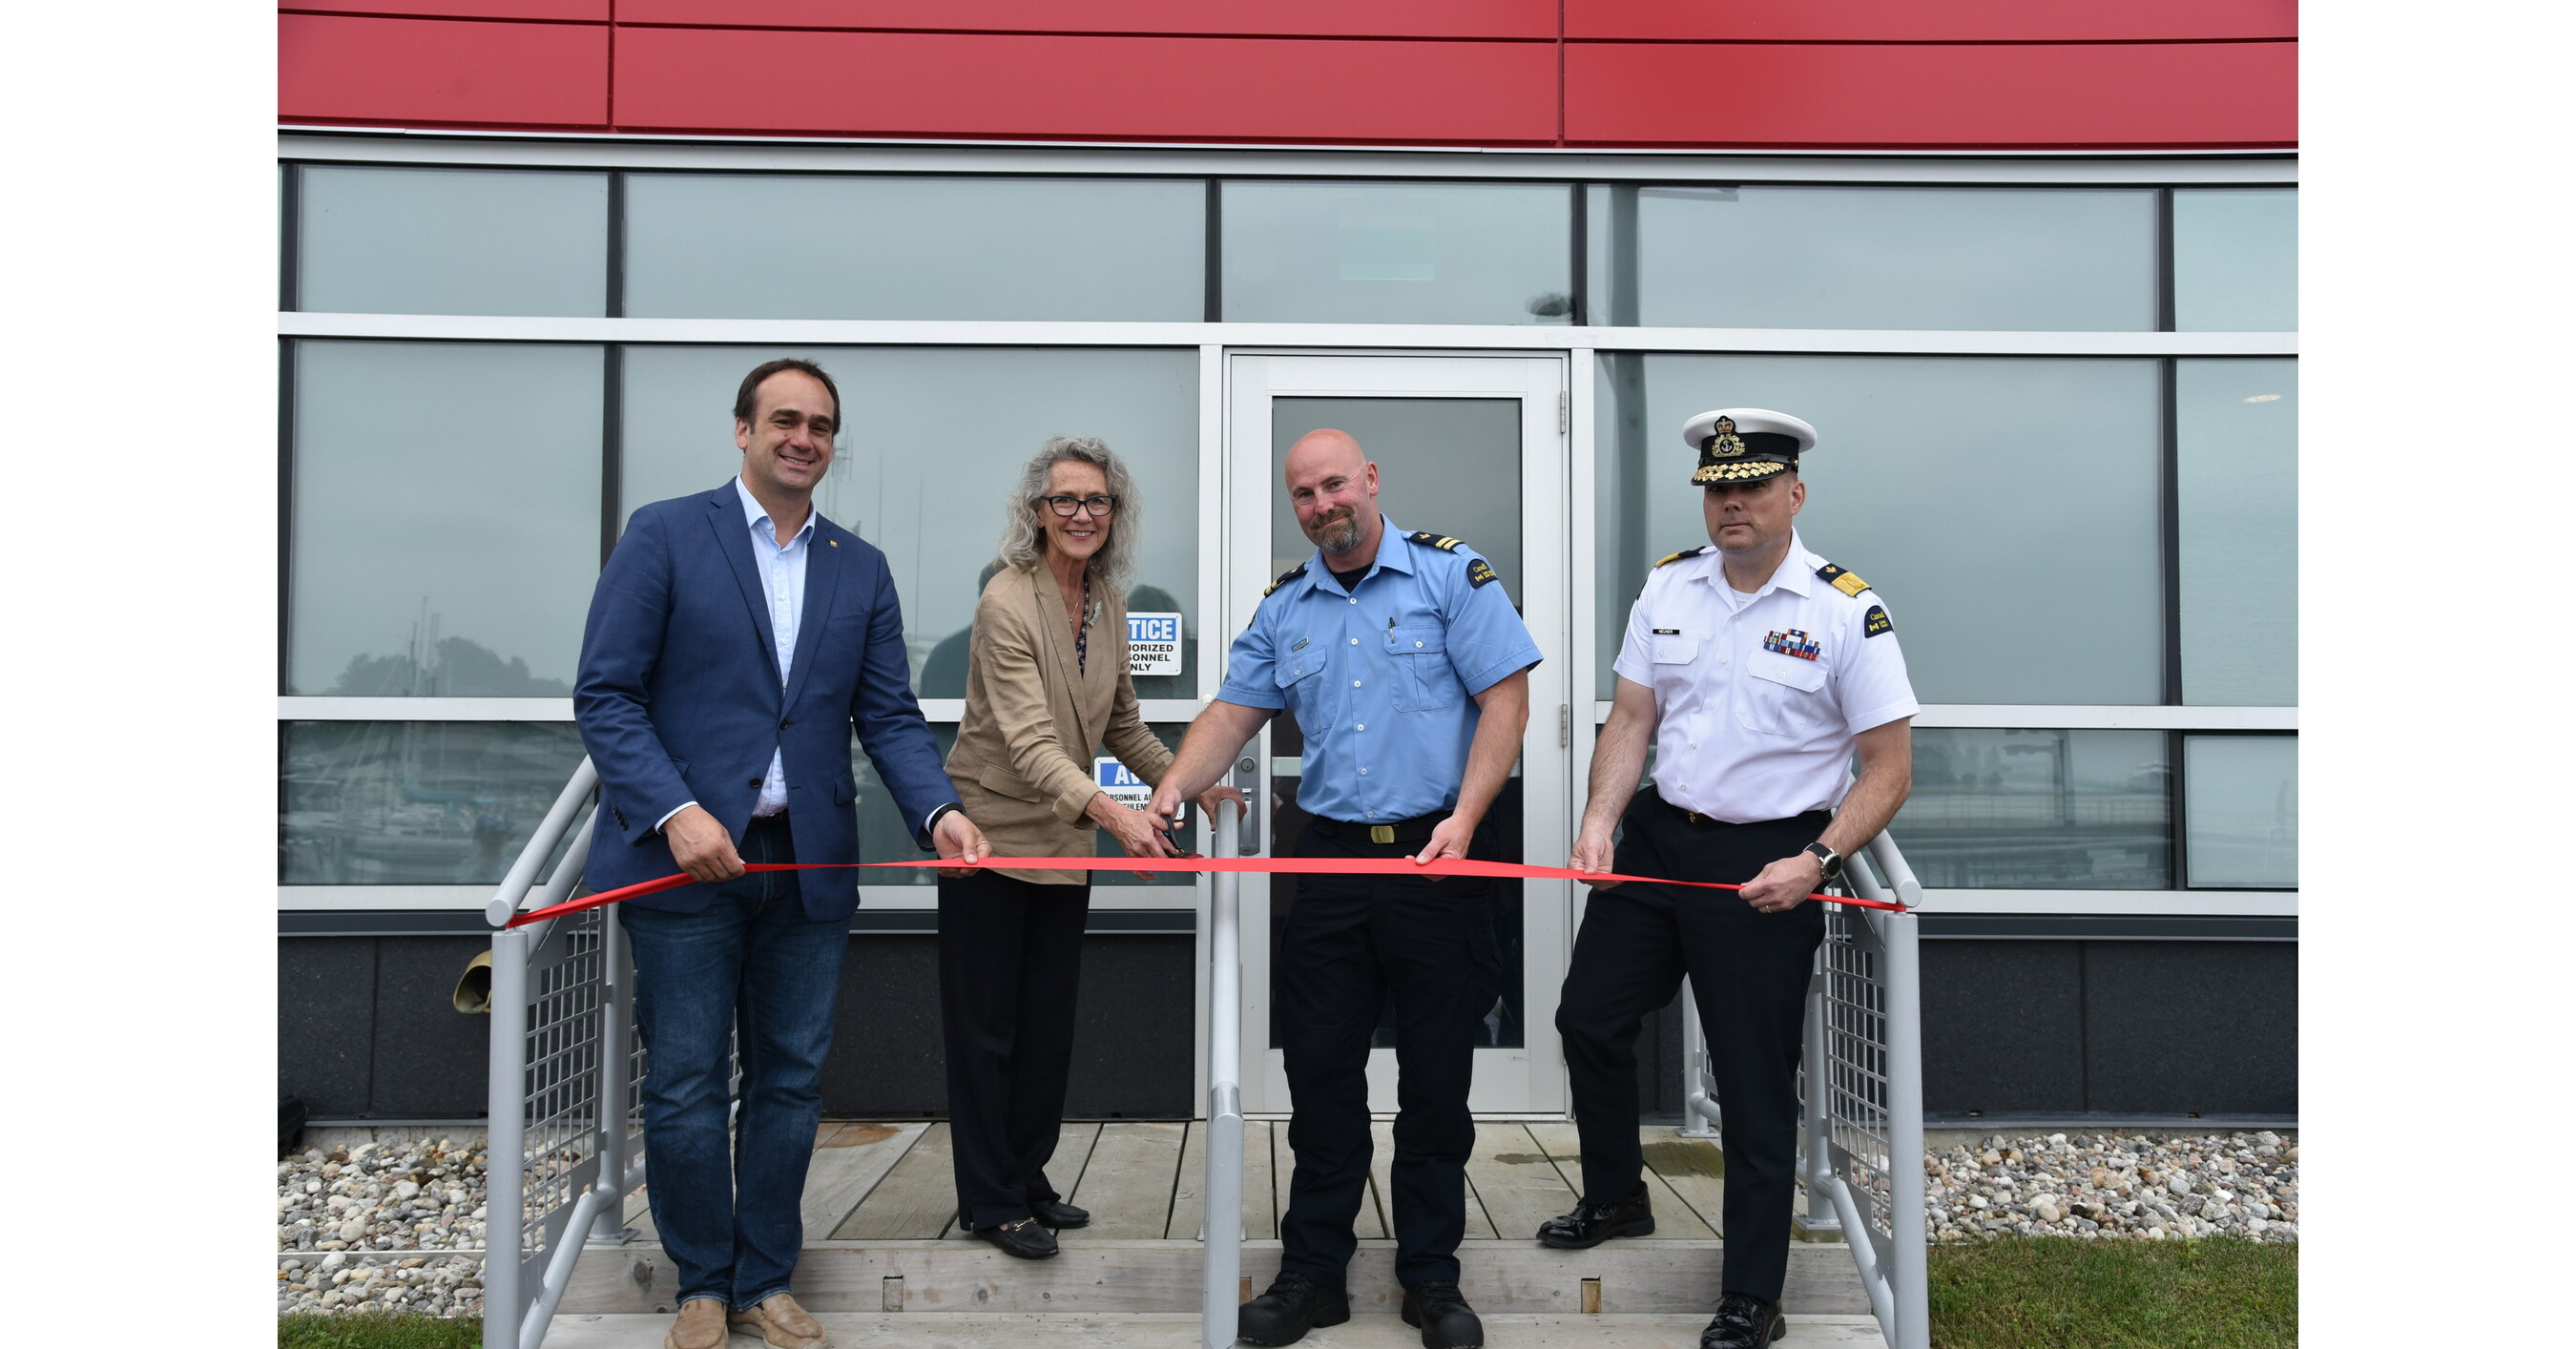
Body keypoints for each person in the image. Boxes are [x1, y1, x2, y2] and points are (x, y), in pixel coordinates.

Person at [573, 358, 990, 1349]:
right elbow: (606, 694)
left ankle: (766, 1276)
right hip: (686, 864)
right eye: (785, 421)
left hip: (806, 868)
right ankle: (699, 1285)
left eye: (822, 426)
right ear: (743, 431)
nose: (804, 438)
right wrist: (675, 808)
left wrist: (939, 814)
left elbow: (886, 717)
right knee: (681, 1082)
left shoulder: (861, 565)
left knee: (791, 1082)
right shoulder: (666, 534)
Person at [1147, 429, 1542, 1349]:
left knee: (1437, 1083)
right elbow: (1232, 712)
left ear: (1371, 480)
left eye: (1335, 485)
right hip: (1327, 868)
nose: (1323, 504)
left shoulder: (1452, 576)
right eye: (1303, 494)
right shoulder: (1287, 607)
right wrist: (1172, 784)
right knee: (1322, 1079)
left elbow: (1508, 700)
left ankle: (1431, 1278)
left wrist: (1468, 819)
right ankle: (1314, 1274)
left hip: (1438, 857)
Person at [1538, 408, 1917, 1349]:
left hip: (1772, 860)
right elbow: (1632, 720)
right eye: (1717, 486)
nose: (1731, 502)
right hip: (1663, 843)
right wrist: (1598, 821)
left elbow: (1889, 767)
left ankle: (1752, 1293)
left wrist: (1818, 862)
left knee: (1754, 1080)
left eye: (1750, 485)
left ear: (1794, 493)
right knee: (1590, 1016)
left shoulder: (1844, 610)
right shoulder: (1670, 587)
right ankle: (1620, 1193)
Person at [937, 436, 1239, 1259]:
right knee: (986, 1031)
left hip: (1066, 842)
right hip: (989, 841)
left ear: (1115, 513)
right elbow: (1032, 744)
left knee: (1046, 1028)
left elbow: (1121, 725)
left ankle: (1027, 1174)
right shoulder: (1006, 599)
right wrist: (1119, 814)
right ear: (1035, 512)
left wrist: (1193, 780)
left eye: (1096, 501)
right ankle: (991, 1201)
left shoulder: (1106, 598)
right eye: (1064, 500)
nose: (1081, 514)